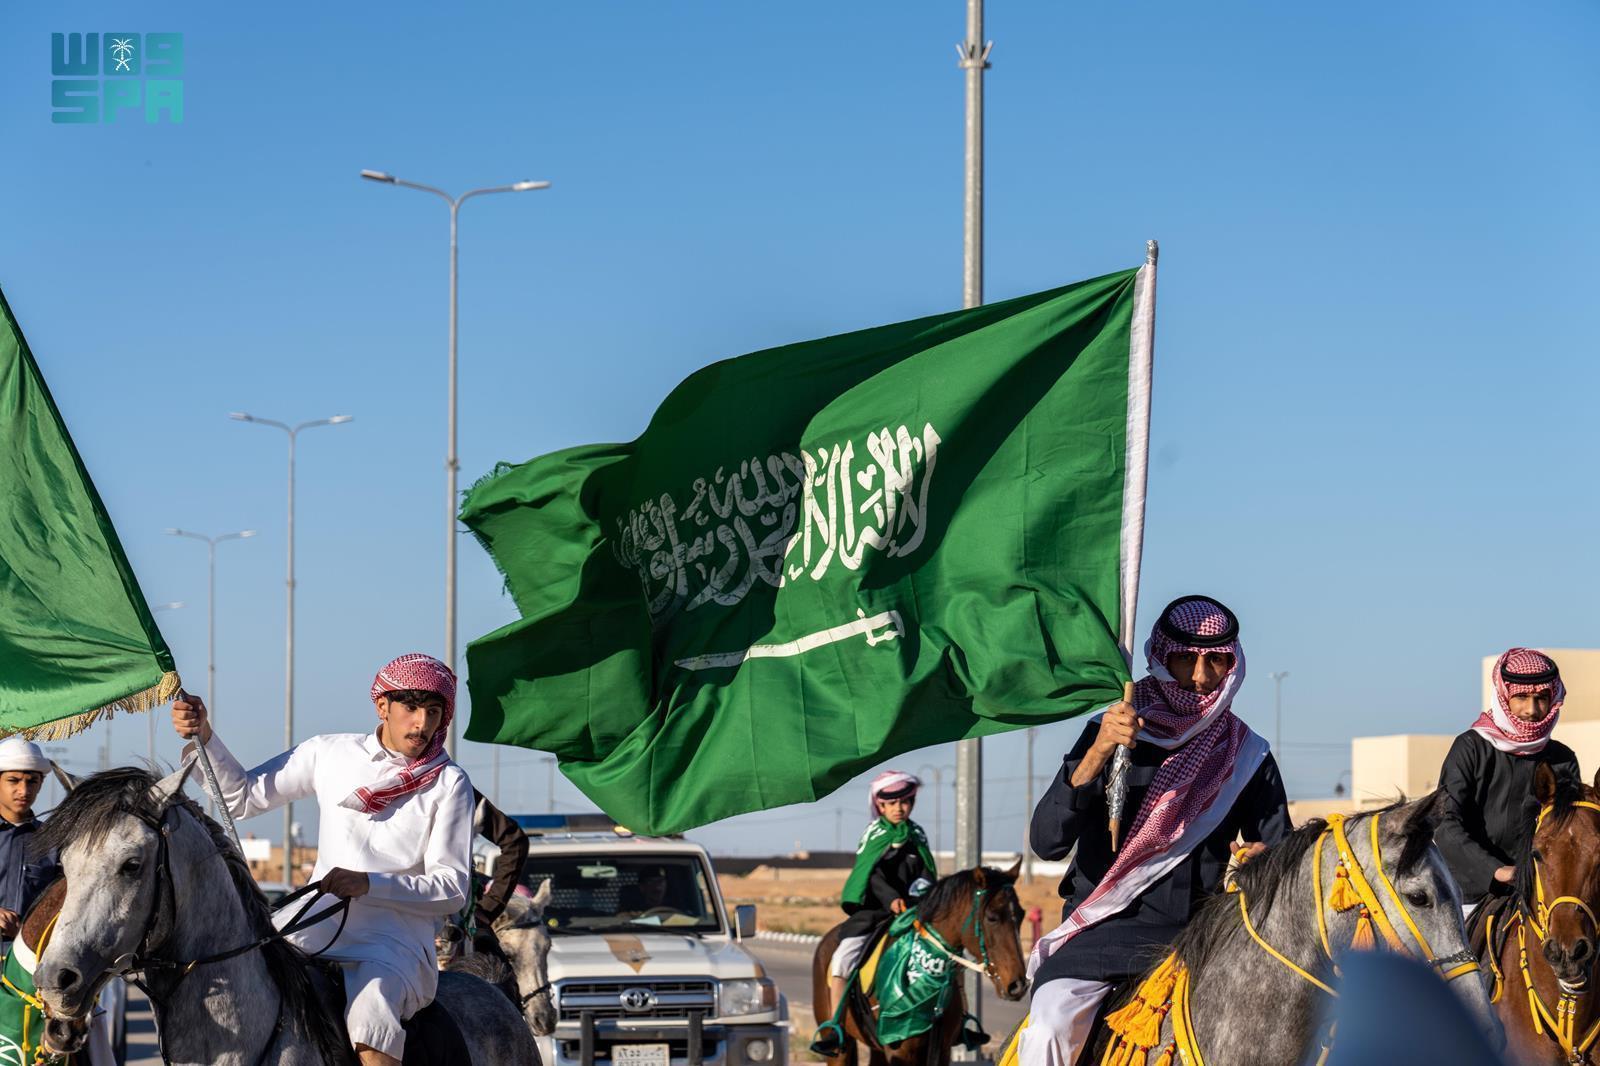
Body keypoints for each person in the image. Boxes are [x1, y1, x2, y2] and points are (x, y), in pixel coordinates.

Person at [1020, 595, 1290, 1066]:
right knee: (1050, 1026)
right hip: (1102, 933)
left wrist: (1262, 863)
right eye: (1187, 659)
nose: (1203, 677)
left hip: (1202, 938)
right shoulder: (1112, 729)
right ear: (1163, 658)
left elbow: (1281, 854)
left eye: (1217, 661)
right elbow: (1047, 842)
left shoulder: (1247, 754)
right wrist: (1098, 752)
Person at [172, 653, 473, 1066]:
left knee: (370, 1018)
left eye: (433, 711)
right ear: (382, 705)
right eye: (411, 707)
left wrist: (369, 883)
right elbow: (241, 797)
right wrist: (204, 735)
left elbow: (452, 888)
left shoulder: (450, 783)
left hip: (392, 945)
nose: (421, 723)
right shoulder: (329, 753)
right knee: (230, 972)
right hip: (312, 923)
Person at [1436, 648, 1580, 914]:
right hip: (1470, 894)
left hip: (1542, 894)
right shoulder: (1470, 747)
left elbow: (1571, 832)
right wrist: (1495, 870)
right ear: (1504, 697)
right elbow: (1444, 824)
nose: (1532, 710)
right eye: (1521, 697)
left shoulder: (1562, 758)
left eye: (1541, 698)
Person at [826, 770, 936, 1013]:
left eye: (904, 802)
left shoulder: (917, 835)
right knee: (841, 961)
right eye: (892, 803)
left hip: (914, 913)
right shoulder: (874, 834)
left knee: (946, 955)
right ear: (880, 805)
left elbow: (926, 873)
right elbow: (870, 874)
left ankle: (958, 1020)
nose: (899, 808)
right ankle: (834, 1025)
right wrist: (891, 899)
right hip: (875, 913)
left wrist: (920, 899)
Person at [0, 738, 60, 946]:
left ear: (41, 784)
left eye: (31, 781)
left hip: (27, 969)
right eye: (13, 780)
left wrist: (24, 931)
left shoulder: (54, 841)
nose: (24, 791)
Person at [466, 789, 528, 959]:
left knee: (498, 976)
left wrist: (489, 907)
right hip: (391, 912)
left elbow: (513, 841)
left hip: (454, 918)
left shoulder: (447, 778)